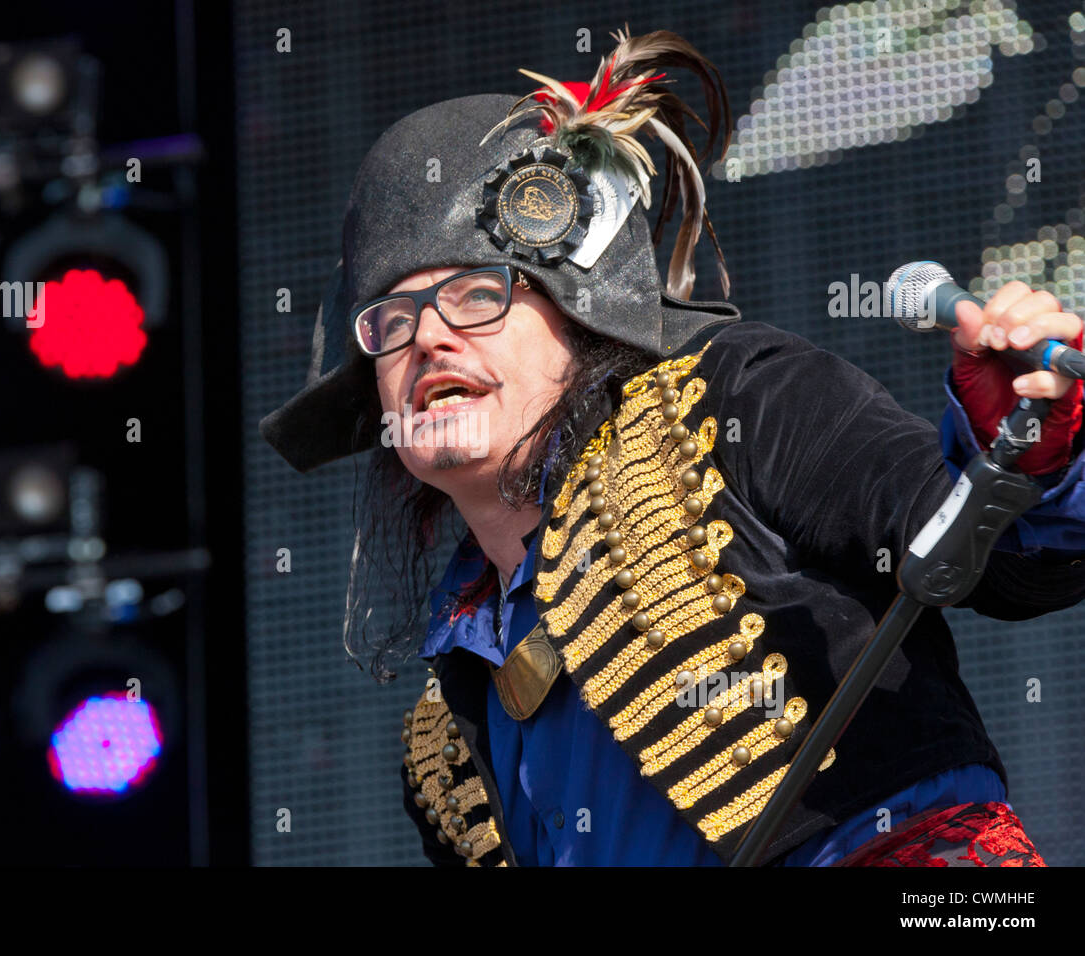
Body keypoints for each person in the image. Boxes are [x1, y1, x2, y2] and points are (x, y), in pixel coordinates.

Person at [259, 29, 1085, 866]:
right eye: (392, 323)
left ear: (580, 322)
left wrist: (1022, 447)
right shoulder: (444, 741)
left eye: (478, 293)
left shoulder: (739, 400)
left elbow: (1012, 562)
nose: (429, 336)